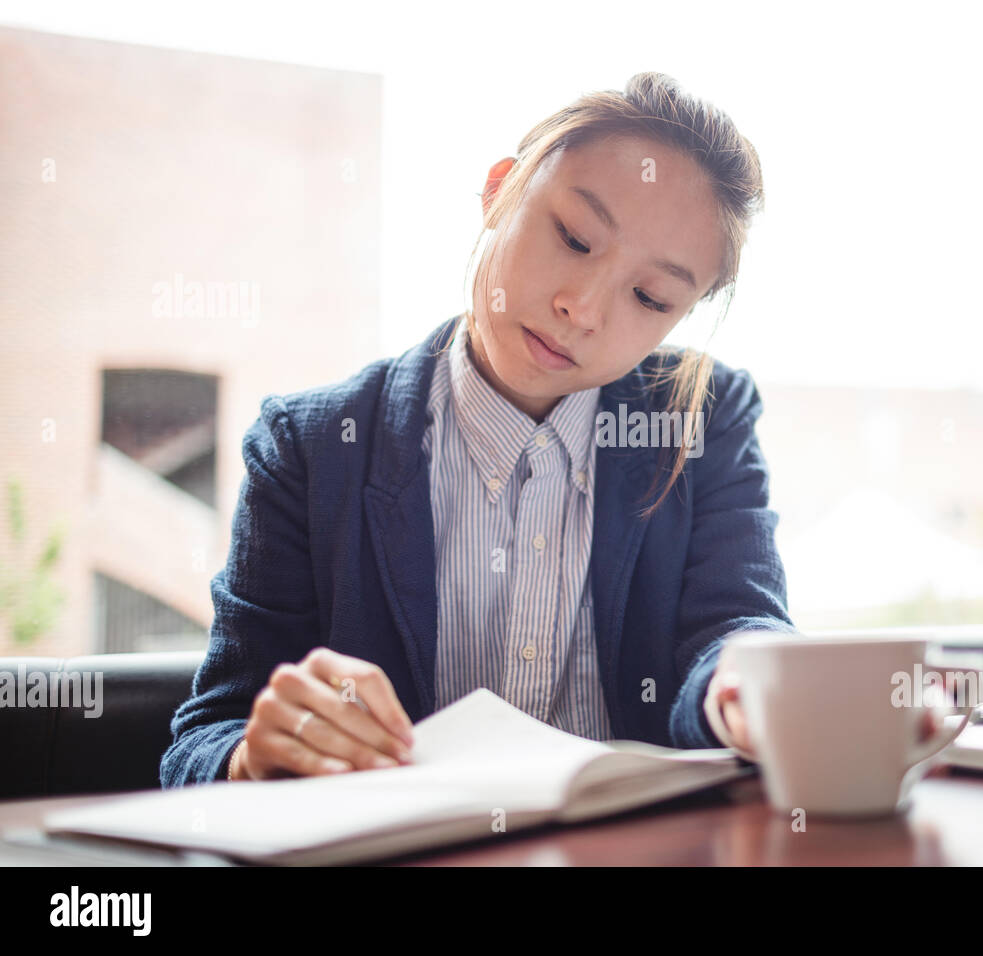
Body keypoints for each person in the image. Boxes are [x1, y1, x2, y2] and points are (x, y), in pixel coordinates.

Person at [160, 72, 798, 787]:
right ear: (500, 190)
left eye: (650, 298)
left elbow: (736, 627)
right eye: (575, 238)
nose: (581, 309)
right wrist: (252, 756)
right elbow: (205, 739)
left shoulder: (702, 420)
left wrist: (748, 685)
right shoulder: (309, 448)